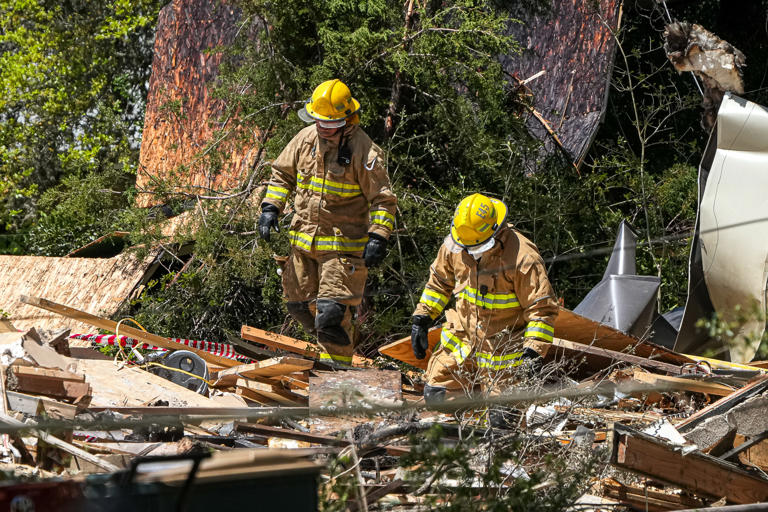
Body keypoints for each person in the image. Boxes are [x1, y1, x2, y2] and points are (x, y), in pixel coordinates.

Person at [258, 79, 397, 365]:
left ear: (348, 119)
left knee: (331, 315)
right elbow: (282, 174)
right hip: (303, 243)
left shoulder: (364, 151)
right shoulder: (305, 139)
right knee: (298, 306)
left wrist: (378, 235)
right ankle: (335, 344)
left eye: (330, 123)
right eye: (319, 120)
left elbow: (383, 199)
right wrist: (271, 207)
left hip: (342, 249)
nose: (322, 127)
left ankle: (336, 378)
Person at [410, 193, 559, 404]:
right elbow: (439, 283)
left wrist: (533, 352)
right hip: (464, 342)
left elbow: (541, 310)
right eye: (465, 247)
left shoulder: (523, 258)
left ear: (495, 232)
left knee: (503, 417)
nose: (469, 253)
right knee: (437, 396)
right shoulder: (458, 243)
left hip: (502, 352)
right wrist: (422, 317)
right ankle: (473, 416)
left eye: (476, 248)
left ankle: (496, 417)